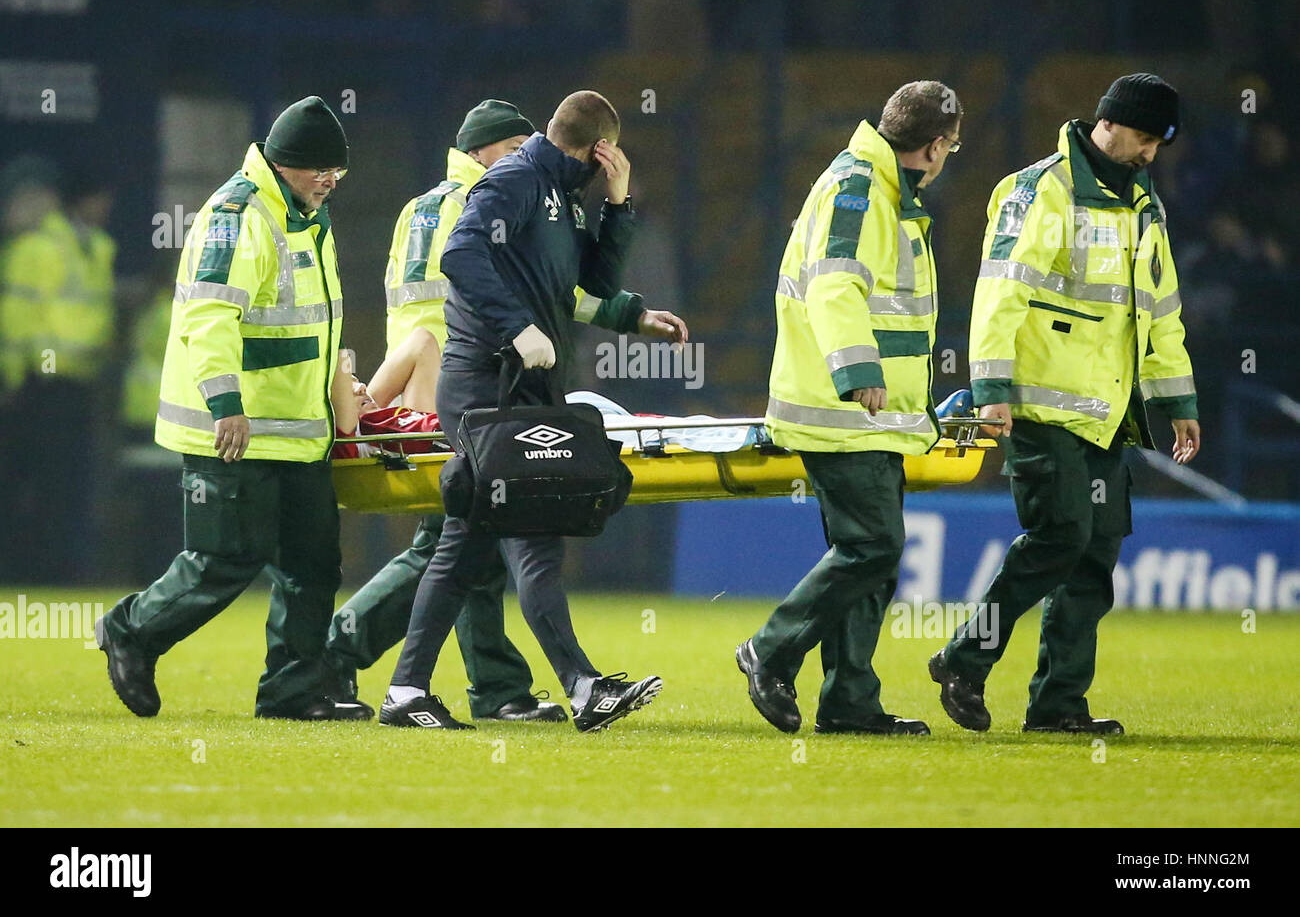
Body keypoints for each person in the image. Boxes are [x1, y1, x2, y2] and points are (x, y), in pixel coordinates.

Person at [323, 99, 686, 723]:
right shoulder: (516, 181)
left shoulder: (561, 195)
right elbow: (460, 255)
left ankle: (415, 690)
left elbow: (592, 285)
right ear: (598, 148)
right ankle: (572, 685)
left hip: (522, 385)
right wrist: (518, 328)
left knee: (469, 543)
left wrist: (619, 206)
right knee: (520, 537)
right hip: (485, 385)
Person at [930, 73, 1200, 735]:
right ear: (1108, 122)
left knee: (1093, 560)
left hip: (1108, 415)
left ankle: (1057, 707)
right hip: (1040, 408)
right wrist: (992, 390)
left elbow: (1160, 314)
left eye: (1159, 145)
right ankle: (966, 657)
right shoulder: (1039, 192)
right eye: (1143, 139)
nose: (1150, 155)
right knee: (1062, 537)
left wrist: (1178, 398)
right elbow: (999, 297)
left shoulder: (1143, 206)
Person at [95, 96, 372, 721]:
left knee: (312, 566)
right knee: (225, 560)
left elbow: (314, 328)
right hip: (235, 430)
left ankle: (292, 694)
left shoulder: (304, 215)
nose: (331, 182)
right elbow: (210, 314)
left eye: (339, 171)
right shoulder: (236, 214)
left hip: (297, 433)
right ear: (283, 164)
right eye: (320, 169)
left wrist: (341, 390)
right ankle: (132, 630)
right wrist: (226, 404)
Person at [734, 81, 961, 736]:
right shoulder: (862, 190)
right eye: (950, 143)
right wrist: (857, 370)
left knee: (873, 555)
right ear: (935, 145)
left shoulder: (878, 189)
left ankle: (850, 701)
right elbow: (835, 284)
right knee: (874, 545)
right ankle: (770, 651)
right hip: (842, 408)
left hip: (872, 414)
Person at [0, 158, 117, 584]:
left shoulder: (99, 247)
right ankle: (23, 573)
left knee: (67, 484)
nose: (107, 205)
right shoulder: (38, 248)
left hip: (79, 384)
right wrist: (13, 378)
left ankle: (60, 573)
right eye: (101, 197)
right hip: (38, 385)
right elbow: (17, 318)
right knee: (29, 481)